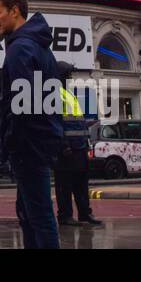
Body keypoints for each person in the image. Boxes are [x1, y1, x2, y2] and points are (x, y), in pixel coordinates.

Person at [0, 0, 63, 249]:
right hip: (38, 142)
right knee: (30, 213)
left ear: (15, 11)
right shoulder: (35, 45)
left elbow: (24, 106)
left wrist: (13, 141)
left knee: (38, 216)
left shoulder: (21, 48)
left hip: (29, 146)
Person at [53, 62, 101, 227]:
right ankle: (65, 216)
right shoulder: (54, 95)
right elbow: (55, 123)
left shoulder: (68, 95)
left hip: (79, 147)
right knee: (64, 185)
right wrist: (63, 145)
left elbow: (77, 122)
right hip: (66, 150)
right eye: (67, 75)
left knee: (81, 183)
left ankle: (84, 213)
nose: (70, 78)